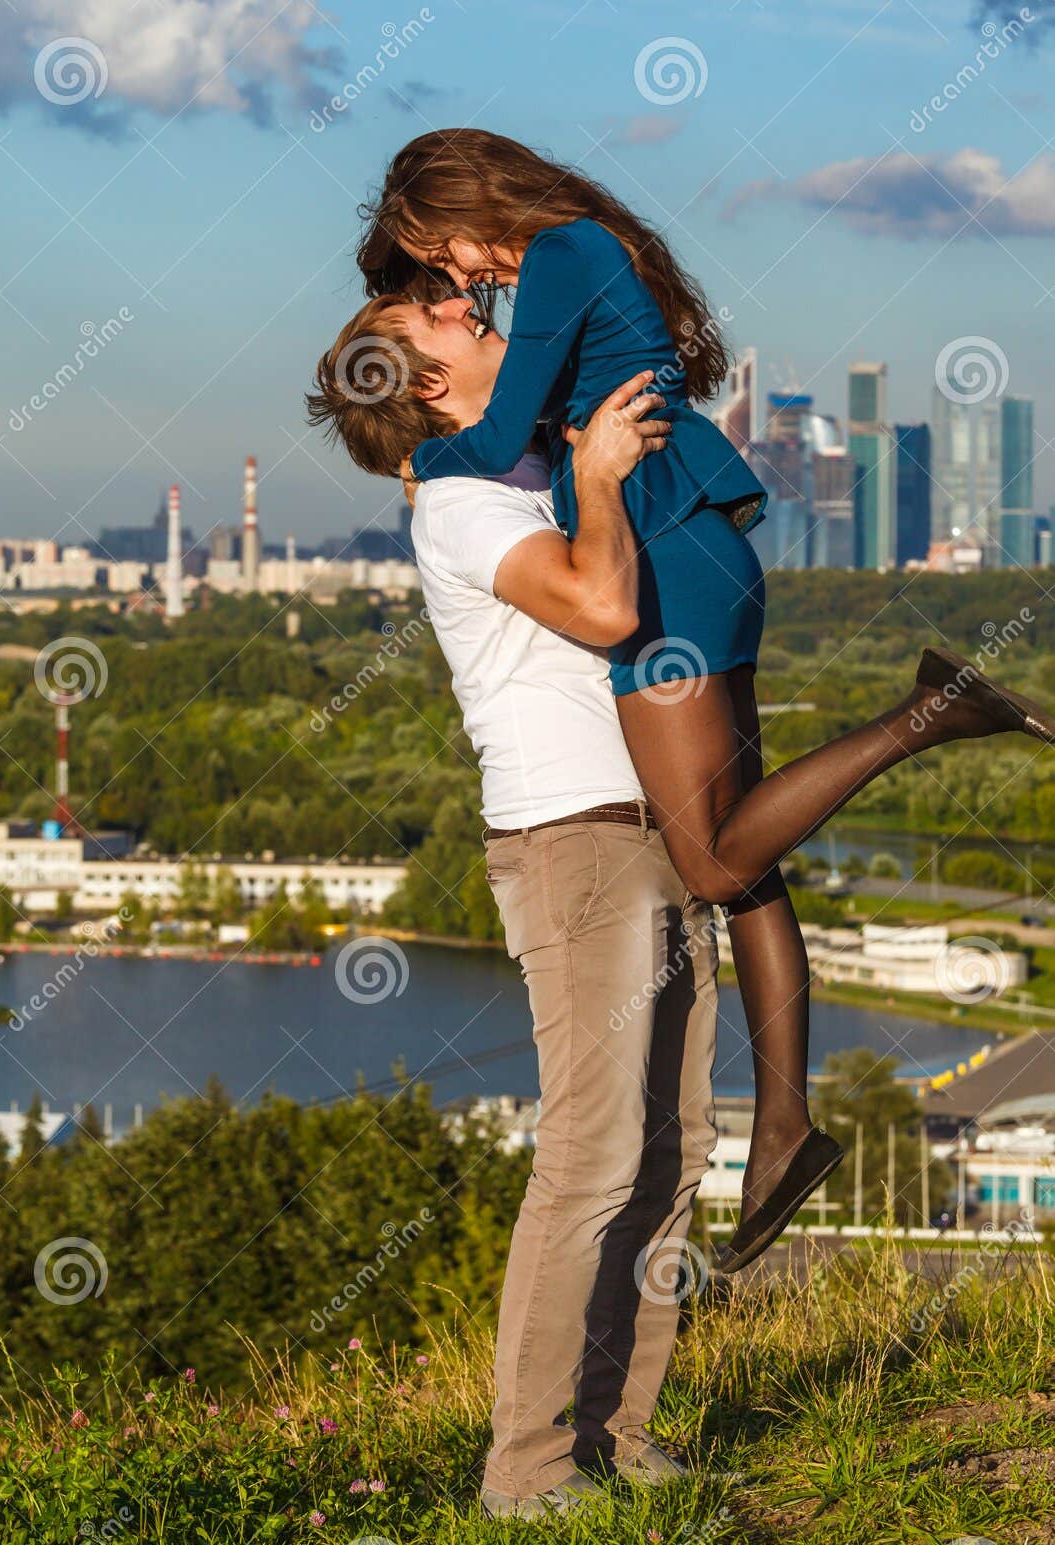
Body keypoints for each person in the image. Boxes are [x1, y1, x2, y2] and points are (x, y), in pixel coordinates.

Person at [355, 127, 1055, 1270]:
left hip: (669, 565)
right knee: (748, 864)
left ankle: (931, 711)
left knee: (716, 864)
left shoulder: (559, 264)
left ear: (469, 206)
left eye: (441, 259)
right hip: (697, 544)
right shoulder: (576, 262)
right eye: (435, 279)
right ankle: (783, 1128)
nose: (455, 283)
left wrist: (413, 465)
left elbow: (483, 435)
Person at [308, 296, 720, 1518]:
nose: (466, 304)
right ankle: (525, 1471)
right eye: (433, 313)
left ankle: (621, 1437)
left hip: (656, 826)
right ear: (429, 388)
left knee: (676, 1148)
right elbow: (599, 607)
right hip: (572, 843)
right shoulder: (462, 504)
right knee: (590, 1155)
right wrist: (595, 477)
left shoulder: (517, 458)